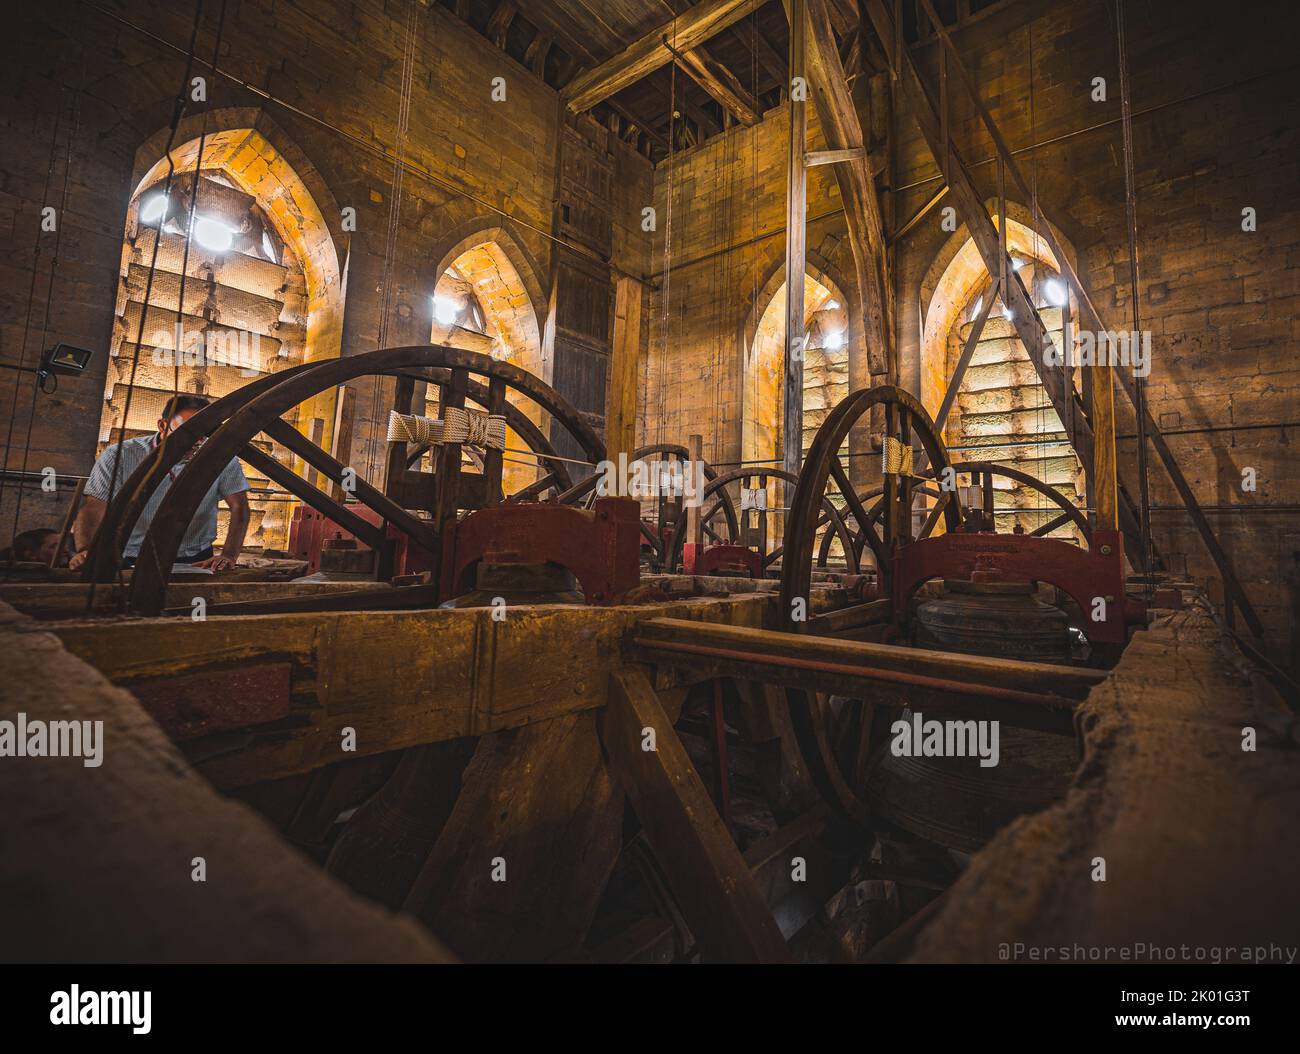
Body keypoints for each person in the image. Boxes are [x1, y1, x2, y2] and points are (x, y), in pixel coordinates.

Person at [69, 394, 250, 572]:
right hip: (131, 555)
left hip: (195, 558)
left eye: (205, 434)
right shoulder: (120, 456)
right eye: (188, 432)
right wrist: (86, 551)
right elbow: (95, 507)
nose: (197, 442)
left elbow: (239, 506)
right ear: (163, 426)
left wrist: (229, 555)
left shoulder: (222, 459)